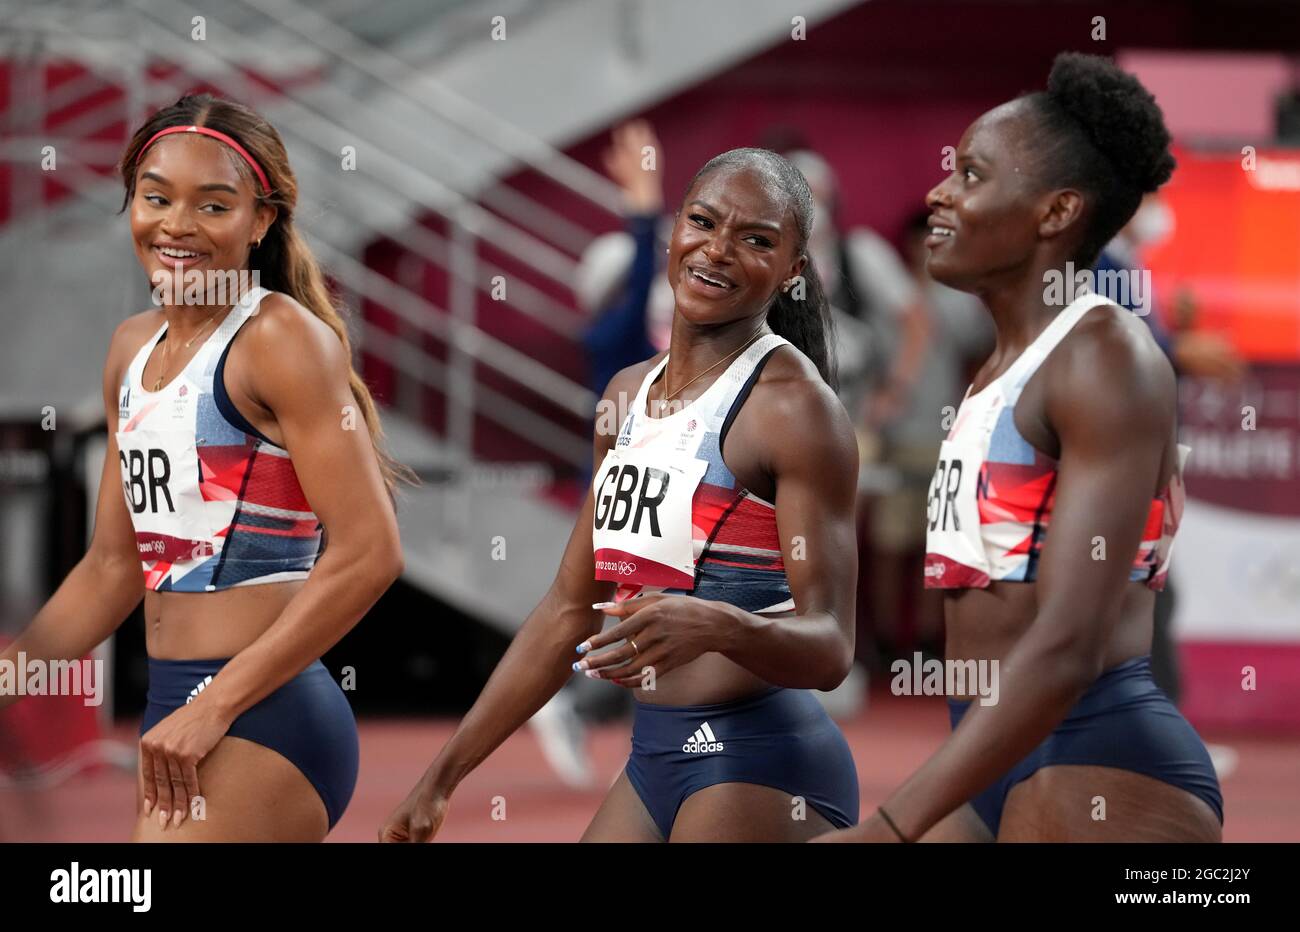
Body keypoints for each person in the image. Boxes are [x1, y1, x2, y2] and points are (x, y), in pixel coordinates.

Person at [382, 147, 861, 842]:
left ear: (792, 271)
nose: (718, 250)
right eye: (702, 221)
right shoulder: (628, 395)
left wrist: (722, 625)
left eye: (755, 239)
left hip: (759, 759)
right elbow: (569, 609)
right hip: (653, 756)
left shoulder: (793, 410)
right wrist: (441, 777)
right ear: (674, 229)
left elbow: (832, 648)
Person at [818, 53, 1222, 842]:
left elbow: (1068, 646)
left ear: (1055, 212)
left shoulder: (1104, 357)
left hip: (1095, 754)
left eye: (970, 175)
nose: (938, 193)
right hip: (993, 755)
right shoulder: (1000, 369)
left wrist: (887, 829)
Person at [0, 94, 411, 841]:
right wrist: (12, 679)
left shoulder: (280, 341)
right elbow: (112, 567)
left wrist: (217, 704)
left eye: (212, 205)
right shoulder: (130, 348)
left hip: (264, 714)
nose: (176, 226)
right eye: (155, 197)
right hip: (173, 704)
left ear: (260, 220)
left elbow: (370, 553)